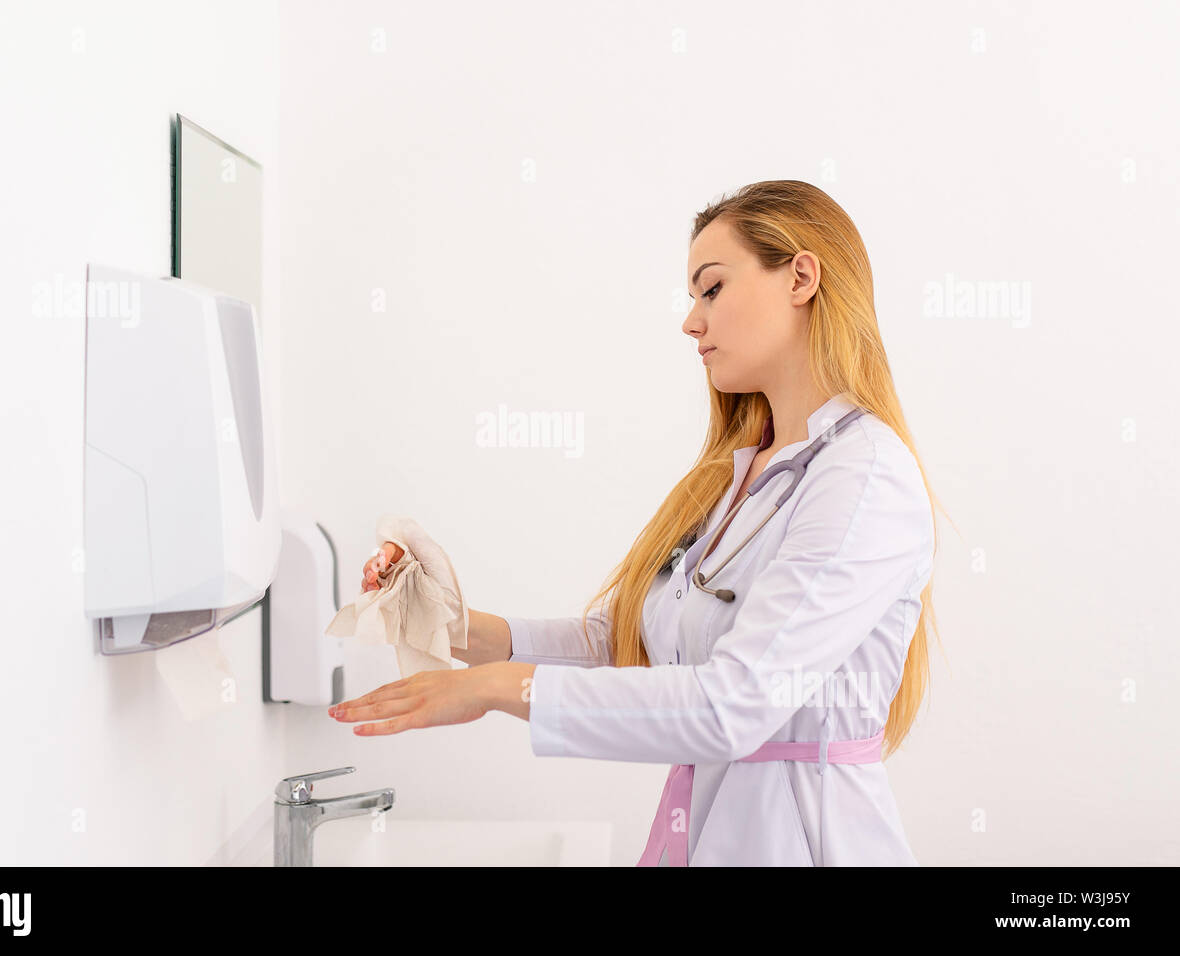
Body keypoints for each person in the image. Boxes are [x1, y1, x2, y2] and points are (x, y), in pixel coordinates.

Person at [331, 180, 943, 866]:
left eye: (711, 289)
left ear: (801, 276)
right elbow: (634, 643)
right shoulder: (740, 475)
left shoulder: (864, 477)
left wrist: (496, 689)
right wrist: (451, 625)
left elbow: (730, 705)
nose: (691, 321)